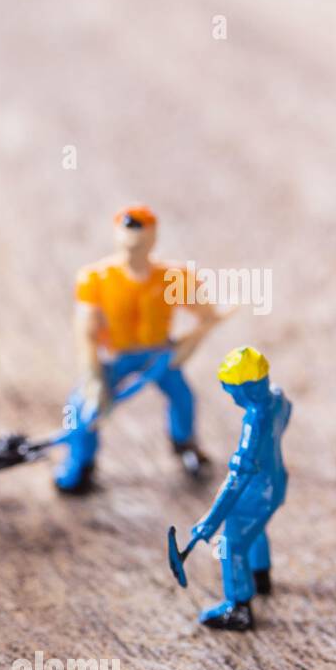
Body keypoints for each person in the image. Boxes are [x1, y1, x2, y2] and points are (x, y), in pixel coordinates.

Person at [55, 206, 222, 494]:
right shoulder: (96, 278)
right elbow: (86, 333)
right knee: (82, 407)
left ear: (153, 239)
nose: (135, 245)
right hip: (114, 357)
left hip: (159, 354)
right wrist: (94, 376)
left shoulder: (173, 277)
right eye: (129, 236)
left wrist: (192, 340)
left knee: (183, 397)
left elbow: (206, 316)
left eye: (142, 238)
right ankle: (80, 461)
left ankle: (185, 445)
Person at [186, 347, 291, 631]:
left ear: (247, 389)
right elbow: (287, 415)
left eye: (232, 391)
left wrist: (210, 521)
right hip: (277, 483)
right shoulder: (279, 399)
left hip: (256, 493)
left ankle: (239, 608)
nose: (231, 397)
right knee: (256, 530)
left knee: (232, 544)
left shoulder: (253, 424)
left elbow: (237, 478)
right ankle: (261, 577)